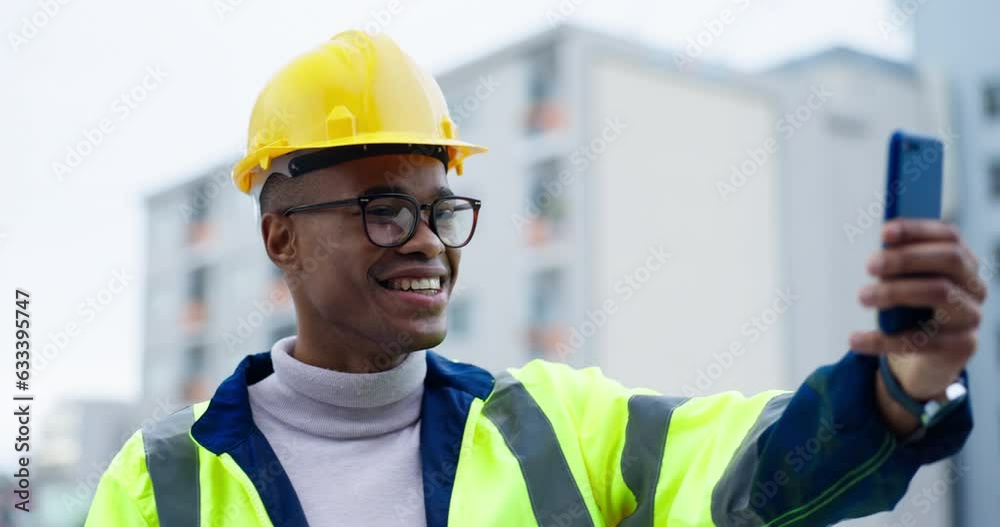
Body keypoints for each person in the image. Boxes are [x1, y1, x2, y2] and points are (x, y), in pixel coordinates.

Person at [85, 30, 985, 527]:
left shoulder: (556, 427)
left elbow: (757, 468)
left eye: (442, 208)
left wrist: (902, 386)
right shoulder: (160, 482)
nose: (429, 243)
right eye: (383, 209)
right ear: (280, 236)